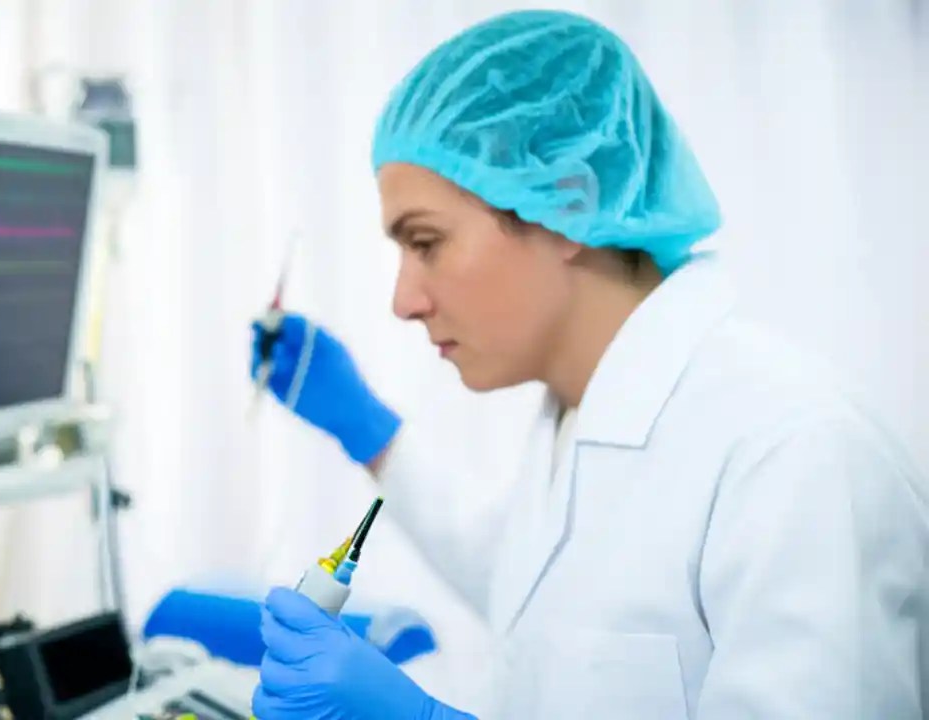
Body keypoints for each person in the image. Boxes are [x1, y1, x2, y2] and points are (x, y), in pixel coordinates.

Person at [247, 9, 929, 720]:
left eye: (426, 243)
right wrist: (369, 430)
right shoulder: (580, 414)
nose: (403, 301)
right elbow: (535, 594)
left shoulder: (794, 453)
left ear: (568, 207)